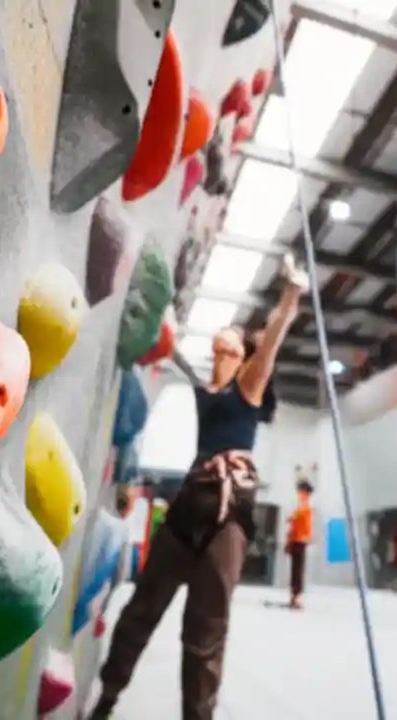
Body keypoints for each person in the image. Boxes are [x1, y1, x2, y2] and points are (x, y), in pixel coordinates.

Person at [88, 256, 309, 720]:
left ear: (241, 356)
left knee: (205, 631)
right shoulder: (201, 389)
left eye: (231, 342)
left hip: (228, 509)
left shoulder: (247, 390)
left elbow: (268, 345)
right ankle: (106, 700)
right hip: (192, 499)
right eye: (219, 340)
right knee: (141, 607)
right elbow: (163, 335)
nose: (223, 341)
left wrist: (290, 295)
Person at [285, 479, 314, 609]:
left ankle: (295, 596)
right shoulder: (303, 503)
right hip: (299, 540)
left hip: (298, 540)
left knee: (296, 570)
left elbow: (295, 520)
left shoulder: (303, 503)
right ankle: (295, 597)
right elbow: (294, 520)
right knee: (297, 570)